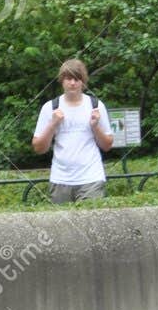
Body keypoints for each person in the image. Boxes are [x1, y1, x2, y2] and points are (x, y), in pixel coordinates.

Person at [31, 59, 114, 203]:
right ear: (62, 81)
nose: (73, 83)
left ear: (83, 81)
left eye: (77, 79)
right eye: (68, 78)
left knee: (91, 216)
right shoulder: (50, 107)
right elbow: (38, 148)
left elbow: (107, 145)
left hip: (91, 178)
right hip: (60, 179)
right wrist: (53, 124)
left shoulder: (96, 106)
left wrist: (95, 126)